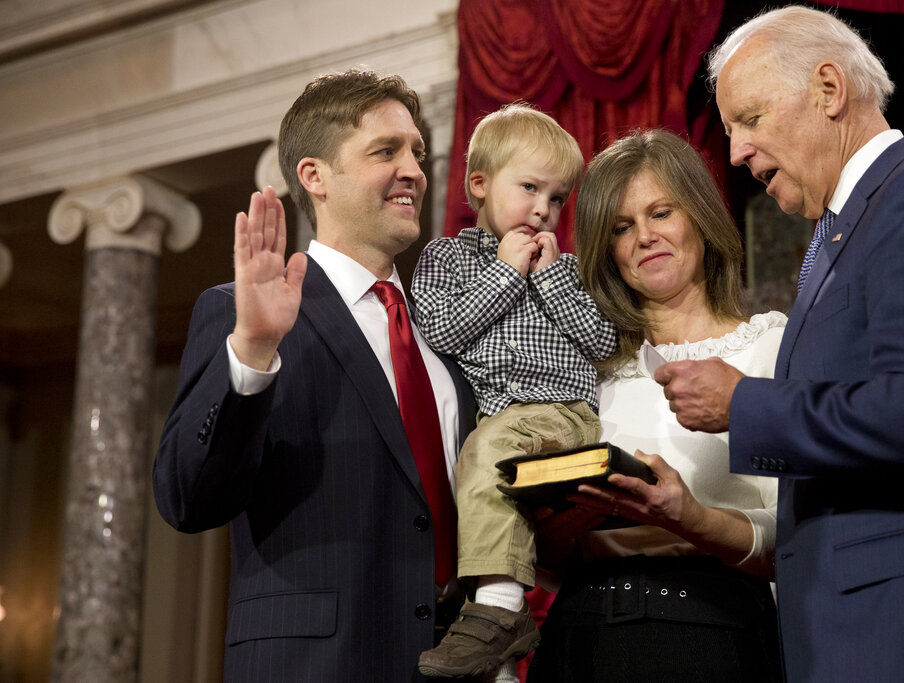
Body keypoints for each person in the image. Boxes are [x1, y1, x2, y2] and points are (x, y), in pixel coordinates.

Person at [652, 6, 904, 682]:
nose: (735, 152)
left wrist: (747, 406)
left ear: (829, 89)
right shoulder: (845, 234)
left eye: (750, 120)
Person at [152, 69, 478, 682]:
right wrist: (251, 352)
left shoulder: (449, 327)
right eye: (386, 151)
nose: (412, 169)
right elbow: (186, 498)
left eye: (417, 152)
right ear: (315, 176)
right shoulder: (243, 314)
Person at [524, 128, 786, 682]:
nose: (644, 236)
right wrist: (553, 532)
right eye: (622, 227)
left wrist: (693, 519)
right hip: (581, 635)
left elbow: (794, 537)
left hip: (717, 635)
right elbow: (544, 563)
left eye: (661, 213)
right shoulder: (579, 362)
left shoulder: (771, 348)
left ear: (699, 216)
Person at [410, 103, 618, 679]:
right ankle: (496, 660)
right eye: (529, 188)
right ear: (479, 184)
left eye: (556, 198)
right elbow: (441, 329)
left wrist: (549, 279)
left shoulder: (568, 269)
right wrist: (504, 274)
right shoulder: (447, 258)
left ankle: (499, 610)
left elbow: (602, 342)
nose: (543, 210)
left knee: (487, 453)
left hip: (564, 415)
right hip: (503, 422)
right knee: (478, 481)